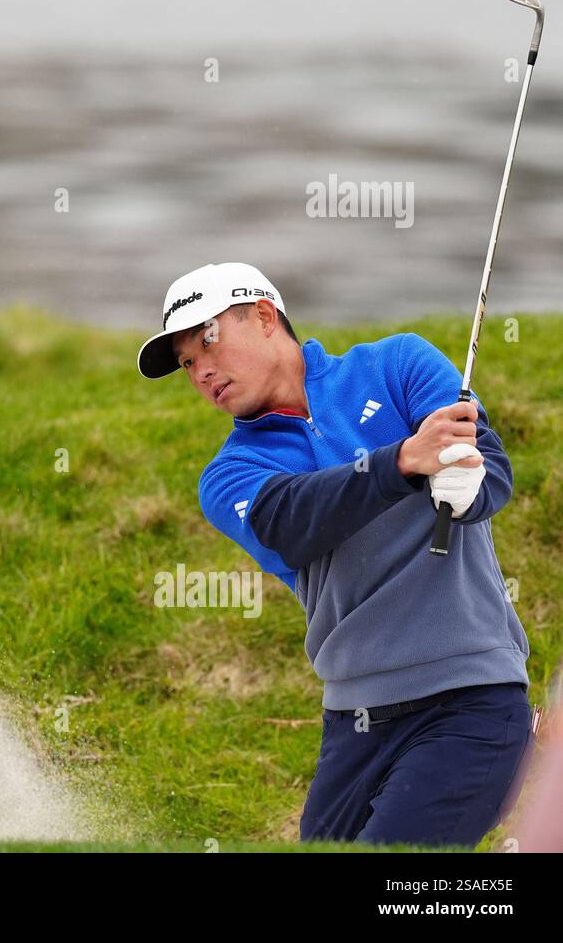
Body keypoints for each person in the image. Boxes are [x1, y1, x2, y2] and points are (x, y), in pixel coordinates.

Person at [137, 261, 534, 847]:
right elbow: (292, 521)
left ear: (266, 316)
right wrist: (398, 462)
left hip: (472, 698)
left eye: (209, 340)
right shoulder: (230, 474)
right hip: (356, 722)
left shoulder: (398, 363)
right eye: (188, 362)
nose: (201, 371)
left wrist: (470, 484)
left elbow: (491, 469)